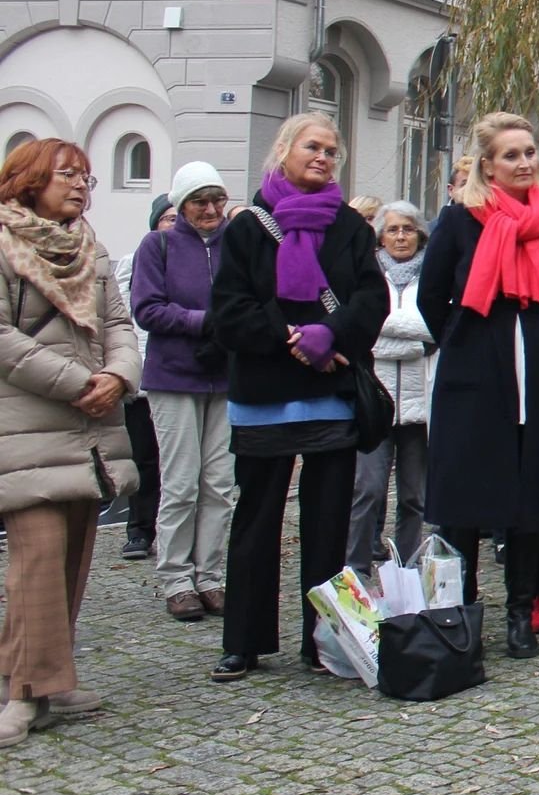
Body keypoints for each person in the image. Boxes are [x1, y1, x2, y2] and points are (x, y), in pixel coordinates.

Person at [207, 114, 388, 682]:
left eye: (332, 151)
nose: (323, 157)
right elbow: (229, 308)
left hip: (329, 391)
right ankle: (245, 641)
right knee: (257, 520)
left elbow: (370, 297)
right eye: (313, 147)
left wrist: (331, 336)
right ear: (284, 151)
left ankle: (325, 639)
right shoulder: (246, 229)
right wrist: (291, 338)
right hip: (265, 391)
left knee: (328, 522)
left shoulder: (350, 228)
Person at [418, 112, 539, 658]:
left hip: (536, 378)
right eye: (511, 155)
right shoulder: (460, 221)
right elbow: (431, 296)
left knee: (531, 500)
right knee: (466, 497)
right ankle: (465, 613)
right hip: (475, 377)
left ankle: (520, 615)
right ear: (488, 165)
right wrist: (465, 343)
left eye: (530, 152)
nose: (525, 163)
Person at [0, 139, 140, 745]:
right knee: (35, 557)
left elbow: (118, 324)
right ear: (30, 181)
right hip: (27, 425)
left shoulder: (91, 248)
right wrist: (79, 382)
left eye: (86, 177)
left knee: (72, 557)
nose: (81, 186)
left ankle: (48, 678)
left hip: (89, 430)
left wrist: (118, 376)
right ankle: (24, 694)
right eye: (67, 175)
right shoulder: (4, 242)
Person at [129, 163, 233, 622]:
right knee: (181, 481)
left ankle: (209, 575)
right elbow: (146, 309)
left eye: (216, 200)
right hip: (173, 377)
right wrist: (201, 321)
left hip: (226, 377)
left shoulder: (236, 242)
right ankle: (176, 578)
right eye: (199, 202)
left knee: (220, 484)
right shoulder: (159, 244)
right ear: (181, 205)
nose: (210, 210)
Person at [346, 200, 435, 573]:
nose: (401, 236)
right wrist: (415, 342)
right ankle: (356, 567)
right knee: (367, 491)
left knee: (414, 497)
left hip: (418, 406)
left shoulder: (431, 276)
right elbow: (362, 332)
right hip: (375, 404)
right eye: (394, 229)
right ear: (381, 236)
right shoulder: (366, 274)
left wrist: (387, 327)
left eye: (408, 229)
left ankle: (408, 568)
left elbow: (436, 329)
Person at [113, 193, 172, 564]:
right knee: (143, 459)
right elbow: (122, 320)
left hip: (176, 375)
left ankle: (173, 535)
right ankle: (138, 530)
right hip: (142, 376)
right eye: (166, 218)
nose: (173, 224)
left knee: (177, 465)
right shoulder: (133, 263)